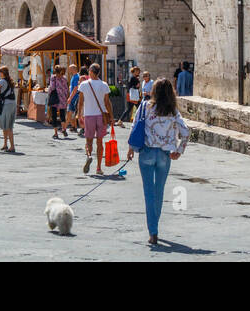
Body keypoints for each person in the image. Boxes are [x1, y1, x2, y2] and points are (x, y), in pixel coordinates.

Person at [125, 77, 190, 245]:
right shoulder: (173, 111)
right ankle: (155, 227)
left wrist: (131, 148)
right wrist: (179, 150)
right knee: (159, 192)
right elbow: (186, 131)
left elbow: (135, 127)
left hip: (146, 153)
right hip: (164, 155)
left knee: (148, 193)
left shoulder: (145, 106)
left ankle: (153, 232)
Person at [76, 63, 113, 175]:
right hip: (101, 116)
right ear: (99, 73)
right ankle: (98, 168)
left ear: (91, 72)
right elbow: (107, 103)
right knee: (100, 142)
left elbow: (81, 101)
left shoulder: (84, 84)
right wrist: (111, 116)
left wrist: (79, 114)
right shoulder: (104, 85)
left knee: (88, 141)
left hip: (89, 115)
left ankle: (89, 155)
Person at [48, 65, 71, 140]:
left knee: (54, 115)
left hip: (55, 98)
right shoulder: (64, 78)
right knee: (62, 114)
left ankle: (56, 133)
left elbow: (52, 87)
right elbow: (66, 89)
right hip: (62, 98)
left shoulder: (53, 78)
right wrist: (67, 97)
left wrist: (49, 92)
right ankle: (64, 129)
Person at [65, 64, 81, 136]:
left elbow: (75, 88)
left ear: (73, 69)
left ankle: (64, 127)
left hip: (74, 97)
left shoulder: (76, 77)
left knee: (70, 112)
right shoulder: (74, 76)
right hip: (73, 96)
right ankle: (73, 126)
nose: (69, 70)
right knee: (72, 112)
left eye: (70, 69)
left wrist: (70, 98)